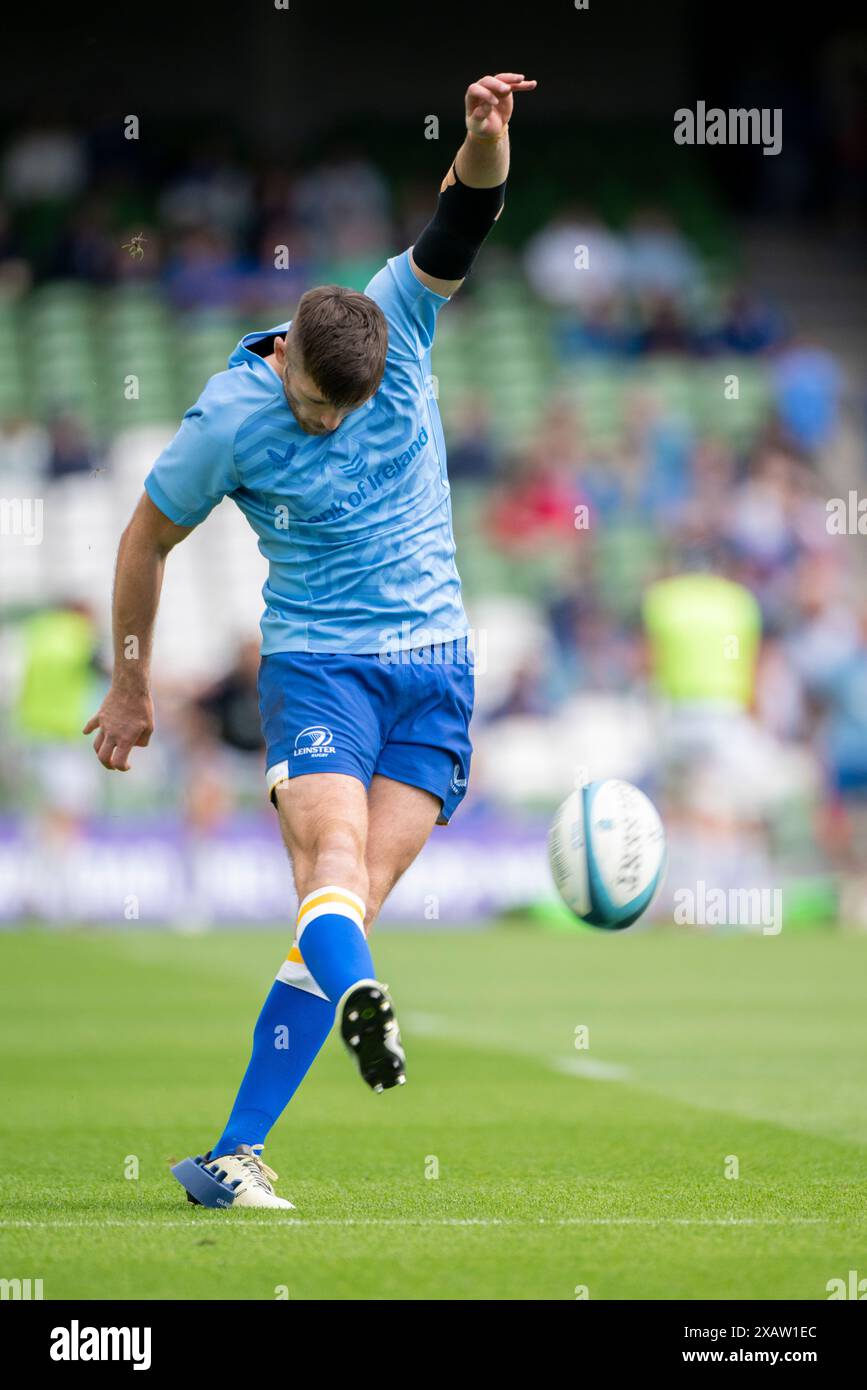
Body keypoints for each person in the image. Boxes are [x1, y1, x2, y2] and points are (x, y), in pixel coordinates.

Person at [84, 71, 537, 1210]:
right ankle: (338, 1028)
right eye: (314, 405)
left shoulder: (401, 317)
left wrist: (484, 136)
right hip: (317, 666)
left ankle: (236, 1151)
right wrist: (129, 686)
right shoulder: (228, 417)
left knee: (344, 905)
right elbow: (144, 544)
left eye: (348, 406)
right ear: (284, 355)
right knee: (327, 865)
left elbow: (464, 213)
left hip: (437, 667)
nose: (326, 421)